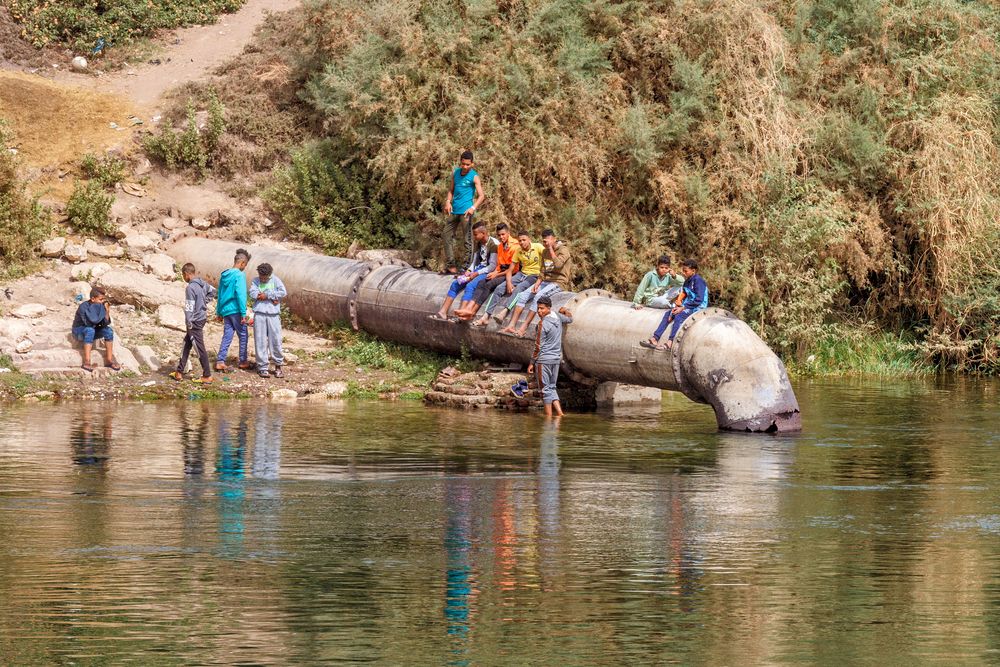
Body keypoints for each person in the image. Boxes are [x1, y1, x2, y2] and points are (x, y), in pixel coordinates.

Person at [503, 229, 573, 337]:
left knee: (538, 297)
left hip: (558, 282)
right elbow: (543, 270)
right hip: (545, 281)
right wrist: (538, 282)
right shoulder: (545, 252)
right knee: (522, 295)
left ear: (554, 239)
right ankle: (511, 325)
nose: (546, 244)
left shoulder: (563, 250)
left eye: (548, 241)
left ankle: (523, 328)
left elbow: (558, 265)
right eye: (544, 242)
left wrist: (550, 249)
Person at [471, 231, 544, 327]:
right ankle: (486, 316)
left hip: (534, 275)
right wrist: (509, 283)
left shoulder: (538, 247)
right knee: (499, 288)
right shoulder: (518, 250)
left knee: (519, 288)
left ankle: (505, 311)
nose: (522, 242)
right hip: (521, 274)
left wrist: (542, 277)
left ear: (529, 239)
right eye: (520, 240)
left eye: (524, 240)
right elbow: (510, 270)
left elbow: (547, 259)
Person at [430, 222, 498, 321]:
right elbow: (474, 261)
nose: (474, 237)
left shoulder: (494, 244)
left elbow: (492, 266)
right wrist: (469, 270)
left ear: (483, 233)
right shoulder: (478, 242)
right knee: (455, 284)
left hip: (487, 271)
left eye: (475, 234)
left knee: (470, 286)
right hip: (478, 269)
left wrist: (476, 273)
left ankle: (460, 315)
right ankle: (443, 312)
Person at [640, 258, 709, 350]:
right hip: (688, 305)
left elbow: (699, 299)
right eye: (683, 271)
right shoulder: (687, 281)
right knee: (668, 314)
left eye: (686, 271)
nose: (684, 273)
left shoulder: (698, 281)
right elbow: (684, 293)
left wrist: (683, 308)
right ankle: (655, 338)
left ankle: (670, 342)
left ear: (693, 271)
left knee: (679, 316)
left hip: (698, 307)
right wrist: (678, 304)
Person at [454, 223, 516, 321]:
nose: (501, 237)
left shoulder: (514, 246)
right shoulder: (500, 246)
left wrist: (496, 273)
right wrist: (495, 272)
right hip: (501, 271)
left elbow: (512, 269)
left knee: (488, 284)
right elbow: (499, 264)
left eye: (503, 234)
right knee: (481, 282)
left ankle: (472, 312)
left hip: (510, 273)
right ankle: (469, 309)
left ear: (508, 233)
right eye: (499, 235)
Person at [527, 296, 573, 417]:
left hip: (544, 360)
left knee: (545, 390)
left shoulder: (543, 323)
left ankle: (548, 417)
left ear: (548, 308)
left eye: (542, 308)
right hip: (556, 359)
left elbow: (538, 346)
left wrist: (531, 362)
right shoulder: (557, 317)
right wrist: (565, 310)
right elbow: (570, 319)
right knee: (552, 387)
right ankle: (560, 414)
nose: (539, 311)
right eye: (538, 308)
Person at [170, 263, 216, 383]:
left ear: (186, 274)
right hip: (202, 318)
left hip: (195, 321)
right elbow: (213, 291)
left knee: (199, 348)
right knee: (187, 344)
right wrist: (204, 303)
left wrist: (188, 321)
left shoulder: (190, 288)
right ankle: (179, 372)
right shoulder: (202, 284)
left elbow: (189, 307)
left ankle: (207, 375)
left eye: (183, 275)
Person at [443, 150, 486, 274]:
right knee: (446, 235)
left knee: (467, 239)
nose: (465, 167)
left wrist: (473, 208)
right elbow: (451, 190)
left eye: (468, 164)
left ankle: (466, 267)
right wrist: (447, 202)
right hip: (454, 210)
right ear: (460, 163)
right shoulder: (456, 173)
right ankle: (451, 265)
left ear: (472, 164)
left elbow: (481, 196)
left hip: (466, 212)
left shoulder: (474, 176)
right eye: (463, 164)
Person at [215, 248, 252, 371]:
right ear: (241, 263)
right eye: (245, 265)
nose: (244, 267)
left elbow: (220, 295)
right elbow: (241, 295)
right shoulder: (239, 275)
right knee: (243, 334)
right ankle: (243, 361)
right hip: (236, 310)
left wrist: (219, 312)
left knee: (227, 335)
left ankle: (220, 360)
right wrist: (243, 312)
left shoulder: (224, 275)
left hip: (226, 311)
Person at [250, 263, 288, 378]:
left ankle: (278, 366)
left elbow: (283, 292)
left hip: (273, 314)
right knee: (260, 340)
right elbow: (252, 293)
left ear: (269, 275)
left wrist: (267, 295)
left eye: (265, 278)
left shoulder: (276, 281)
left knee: (275, 339)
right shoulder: (255, 281)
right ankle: (262, 367)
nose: (262, 279)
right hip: (260, 314)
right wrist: (262, 296)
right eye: (261, 277)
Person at [71, 286, 120, 372]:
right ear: (93, 299)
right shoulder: (84, 307)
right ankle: (87, 362)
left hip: (93, 329)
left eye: (103, 300)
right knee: (90, 330)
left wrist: (107, 311)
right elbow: (88, 323)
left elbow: (105, 323)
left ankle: (109, 360)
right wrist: (99, 323)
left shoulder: (101, 306)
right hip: (79, 331)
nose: (102, 302)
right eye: (100, 299)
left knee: (108, 331)